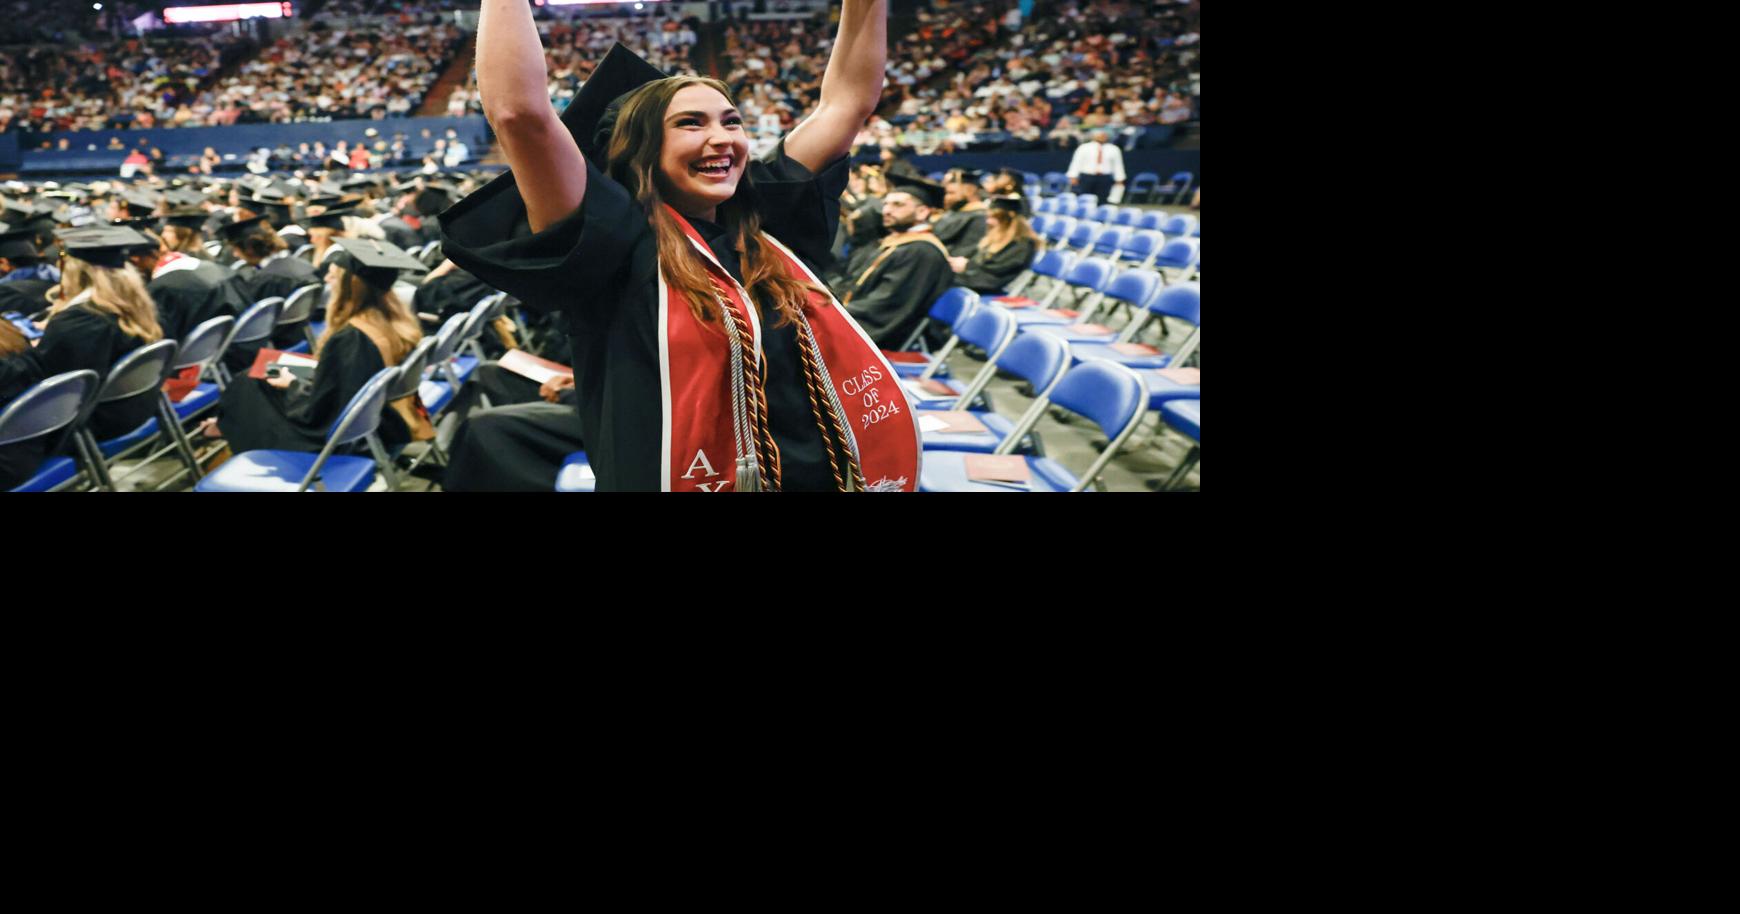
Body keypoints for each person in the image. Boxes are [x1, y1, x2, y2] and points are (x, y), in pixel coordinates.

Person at [440, 0, 916, 492]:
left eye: (731, 121)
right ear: (641, 148)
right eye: (691, 123)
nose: (721, 138)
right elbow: (519, 113)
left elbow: (847, 102)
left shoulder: (767, 223)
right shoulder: (613, 244)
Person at [210, 238, 429, 455]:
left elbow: (323, 411)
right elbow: (344, 380)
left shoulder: (352, 337)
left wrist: (293, 384)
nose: (326, 279)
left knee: (248, 385)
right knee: (265, 367)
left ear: (350, 285)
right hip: (383, 415)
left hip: (348, 431)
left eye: (333, 275)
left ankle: (226, 430)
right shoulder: (394, 320)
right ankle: (223, 424)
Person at [0, 227, 163, 490]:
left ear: (76, 271)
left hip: (83, 425)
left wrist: (37, 346)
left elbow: (46, 383)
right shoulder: (135, 308)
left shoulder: (77, 323)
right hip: (135, 408)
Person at [837, 172, 954, 350]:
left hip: (882, 334)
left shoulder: (921, 252)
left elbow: (886, 305)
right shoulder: (899, 241)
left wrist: (835, 312)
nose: (886, 210)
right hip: (856, 314)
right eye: (886, 204)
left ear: (922, 212)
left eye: (897, 205)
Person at [951, 195, 1040, 295]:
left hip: (990, 285)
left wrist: (967, 265)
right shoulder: (994, 237)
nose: (988, 221)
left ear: (1009, 219)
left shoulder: (1023, 244)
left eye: (994, 217)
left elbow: (997, 269)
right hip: (977, 278)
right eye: (988, 217)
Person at [932, 167, 988, 258]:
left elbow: (964, 250)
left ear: (970, 190)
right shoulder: (955, 212)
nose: (946, 198)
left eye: (951, 193)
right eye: (946, 193)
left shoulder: (980, 217)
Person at [1067, 128, 1125, 203]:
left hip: (1105, 178)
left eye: (1104, 135)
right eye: (1099, 135)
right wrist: (1073, 176)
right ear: (1093, 136)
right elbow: (1076, 162)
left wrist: (1119, 178)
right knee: (1084, 199)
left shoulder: (1114, 149)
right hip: (1087, 177)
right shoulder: (1084, 147)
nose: (1102, 137)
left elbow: (1118, 165)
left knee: (1102, 199)